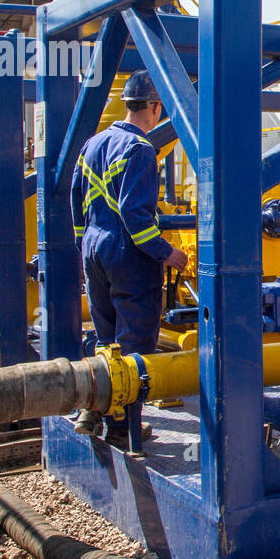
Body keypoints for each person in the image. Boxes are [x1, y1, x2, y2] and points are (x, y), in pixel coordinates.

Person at [68, 70, 188, 445]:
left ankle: (94, 409)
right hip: (127, 253)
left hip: (93, 248)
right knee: (134, 341)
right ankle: (124, 427)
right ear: (154, 107)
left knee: (106, 337)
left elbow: (75, 202)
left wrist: (88, 244)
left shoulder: (92, 144)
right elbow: (136, 217)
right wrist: (168, 253)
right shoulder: (140, 149)